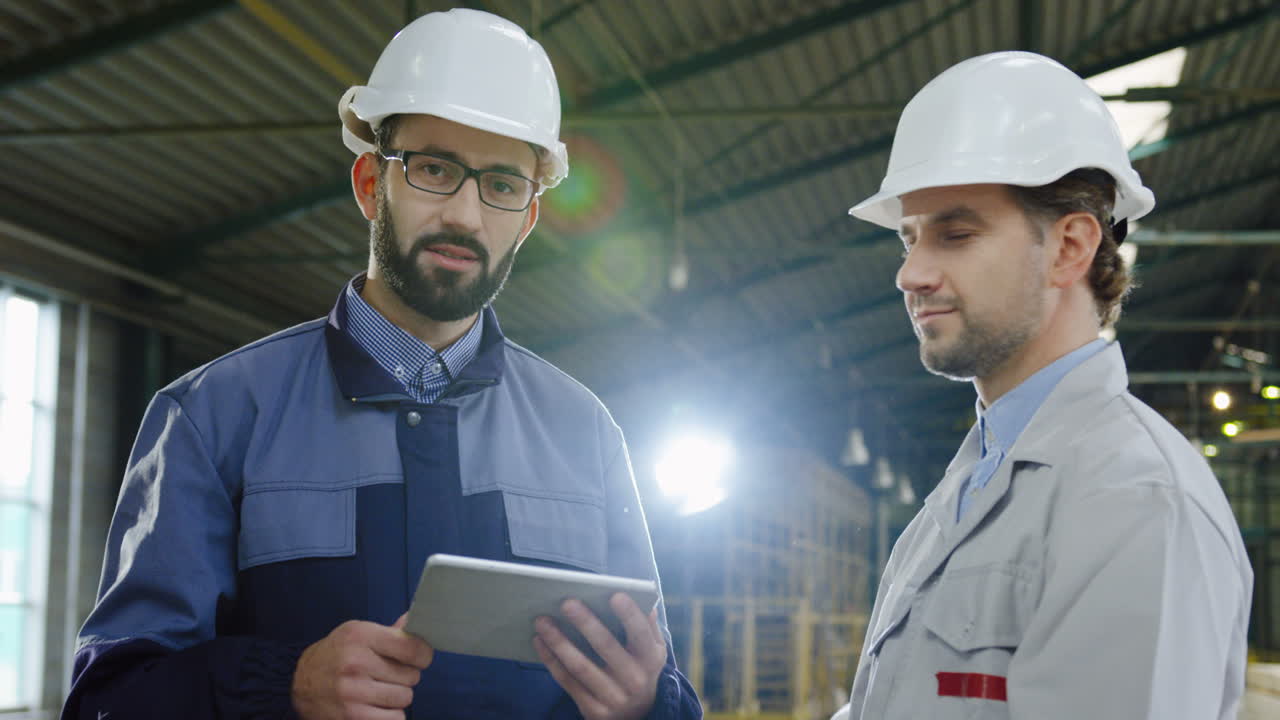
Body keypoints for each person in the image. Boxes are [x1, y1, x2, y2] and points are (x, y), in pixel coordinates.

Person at [62, 9, 701, 720]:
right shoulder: (214, 417)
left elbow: (655, 675)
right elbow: (107, 702)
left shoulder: (585, 434)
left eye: (502, 184)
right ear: (371, 183)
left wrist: (650, 706)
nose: (466, 212)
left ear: (526, 220)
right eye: (433, 168)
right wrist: (285, 685)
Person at [833, 51, 1252, 719]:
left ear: (1070, 247)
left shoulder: (1134, 499)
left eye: (956, 234)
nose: (910, 274)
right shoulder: (966, 488)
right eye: (908, 239)